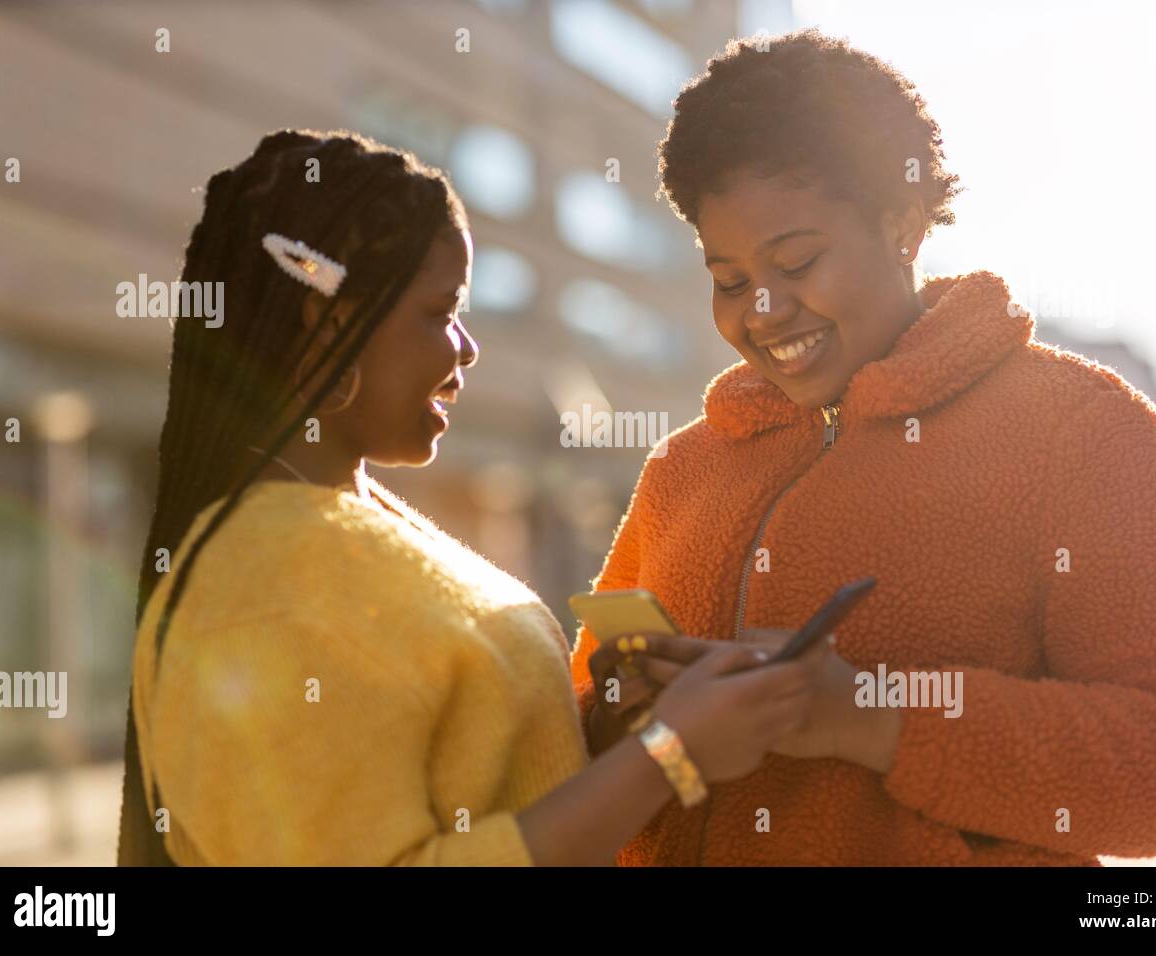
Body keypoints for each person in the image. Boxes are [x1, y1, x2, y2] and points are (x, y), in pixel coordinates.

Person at [572, 29, 1156, 865]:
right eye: (728, 280)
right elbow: (578, 736)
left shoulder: (1072, 428)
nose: (761, 310)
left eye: (797, 261)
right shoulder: (686, 468)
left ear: (902, 223)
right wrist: (618, 710)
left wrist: (866, 714)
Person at [115, 128, 823, 866]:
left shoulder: (344, 520)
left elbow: (472, 794)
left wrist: (602, 731)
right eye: (439, 312)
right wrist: (672, 754)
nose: (465, 347)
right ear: (330, 329)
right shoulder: (265, 585)